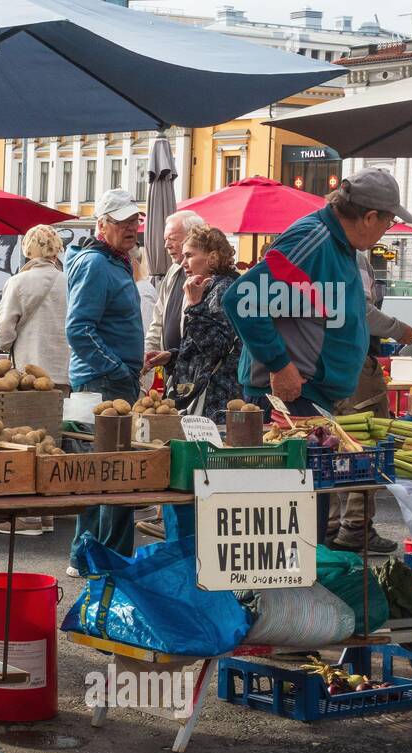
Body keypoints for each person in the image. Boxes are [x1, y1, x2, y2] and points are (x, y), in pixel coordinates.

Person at [223, 167, 412, 540]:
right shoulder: (315, 239)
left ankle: (300, 591)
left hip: (315, 398)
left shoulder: (342, 248)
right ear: (369, 216)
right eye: (388, 222)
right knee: (289, 521)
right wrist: (280, 365)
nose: (386, 231)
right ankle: (280, 596)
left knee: (309, 516)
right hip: (291, 400)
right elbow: (241, 298)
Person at [64, 188, 145, 574]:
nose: (133, 227)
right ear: (102, 225)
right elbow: (79, 329)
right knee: (108, 478)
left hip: (114, 381)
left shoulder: (116, 261)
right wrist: (118, 368)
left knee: (110, 476)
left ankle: (99, 558)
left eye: (134, 220)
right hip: (103, 385)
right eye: (123, 222)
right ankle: (95, 560)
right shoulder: (96, 265)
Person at [325, 251, 412, 554]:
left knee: (331, 443)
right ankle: (355, 526)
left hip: (322, 363)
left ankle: (332, 524)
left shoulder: (315, 254)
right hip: (353, 363)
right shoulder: (350, 255)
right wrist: (399, 329)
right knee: (366, 443)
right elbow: (360, 311)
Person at [0, 224, 70, 536]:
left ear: (28, 250)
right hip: (63, 371)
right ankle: (48, 511)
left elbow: (4, 331)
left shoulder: (19, 282)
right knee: (54, 440)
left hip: (27, 375)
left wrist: (4, 345)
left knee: (25, 440)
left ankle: (27, 516)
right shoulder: (69, 281)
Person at [144, 225, 242, 424]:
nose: (183, 262)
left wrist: (195, 306)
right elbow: (201, 349)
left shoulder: (224, 289)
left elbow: (217, 347)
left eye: (189, 255)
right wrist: (172, 356)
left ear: (212, 257)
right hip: (203, 396)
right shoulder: (209, 287)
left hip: (215, 400)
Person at [144, 210, 207, 358]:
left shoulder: (211, 277)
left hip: (196, 371)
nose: (166, 245)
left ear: (192, 236)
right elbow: (158, 322)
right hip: (171, 369)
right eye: (165, 239)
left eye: (172, 238)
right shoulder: (173, 271)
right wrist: (147, 355)